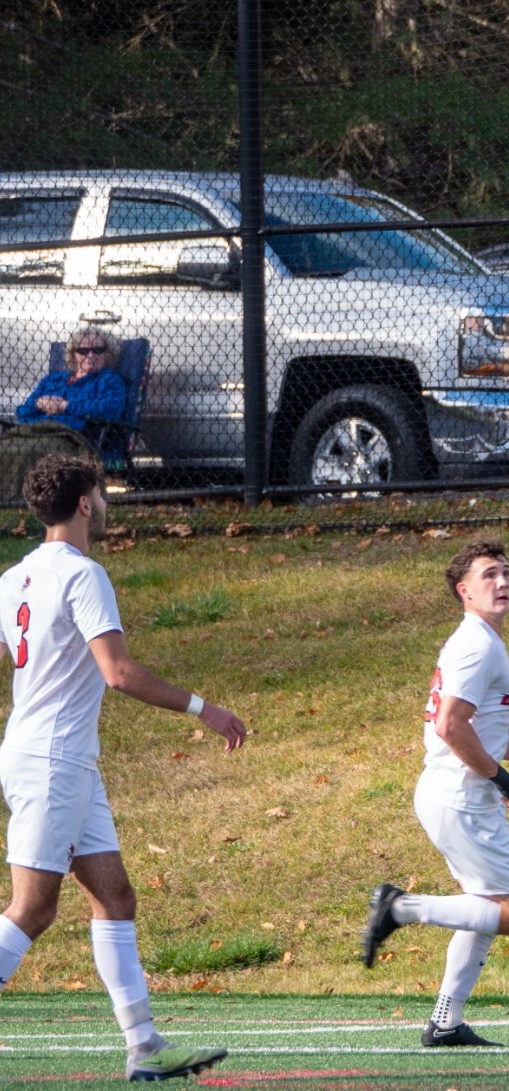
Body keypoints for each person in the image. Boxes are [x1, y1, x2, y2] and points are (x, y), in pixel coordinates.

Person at [0, 454, 242, 1082]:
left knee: (115, 898)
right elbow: (119, 672)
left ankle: (144, 1047)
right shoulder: (84, 574)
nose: (106, 505)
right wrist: (204, 709)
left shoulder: (15, 577)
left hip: (63, 759)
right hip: (52, 760)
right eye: (102, 496)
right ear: (85, 503)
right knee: (32, 910)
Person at [361, 540, 509, 1047]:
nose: (502, 582)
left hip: (451, 793)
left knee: (486, 905)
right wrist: (501, 778)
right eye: (488, 576)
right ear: (465, 591)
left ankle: (445, 1021)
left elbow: (475, 727)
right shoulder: (477, 644)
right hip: (461, 797)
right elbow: (450, 727)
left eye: (506, 572)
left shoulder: (479, 639)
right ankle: (399, 908)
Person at [16, 327, 128, 437]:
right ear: (73, 354)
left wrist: (65, 406)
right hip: (34, 432)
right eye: (83, 351)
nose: (91, 355)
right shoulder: (52, 379)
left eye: (97, 350)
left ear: (107, 354)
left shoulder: (110, 380)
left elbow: (111, 412)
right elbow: (21, 413)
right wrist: (39, 403)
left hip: (73, 438)